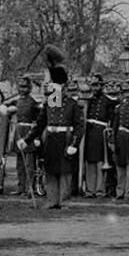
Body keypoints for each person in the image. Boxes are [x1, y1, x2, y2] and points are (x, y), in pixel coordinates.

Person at [28, 80, 84, 209]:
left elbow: (79, 127)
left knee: (65, 171)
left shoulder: (73, 104)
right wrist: (35, 137)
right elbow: (40, 122)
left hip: (65, 138)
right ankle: (52, 200)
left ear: (64, 89)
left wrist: (74, 145)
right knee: (50, 170)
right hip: (51, 138)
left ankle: (64, 201)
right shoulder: (49, 103)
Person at [82, 74, 115, 198]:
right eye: (93, 85)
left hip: (101, 132)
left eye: (96, 85)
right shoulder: (89, 100)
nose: (94, 88)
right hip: (89, 132)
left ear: (101, 85)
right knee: (90, 161)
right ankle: (90, 190)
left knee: (100, 162)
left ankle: (100, 189)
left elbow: (111, 120)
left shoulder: (108, 101)